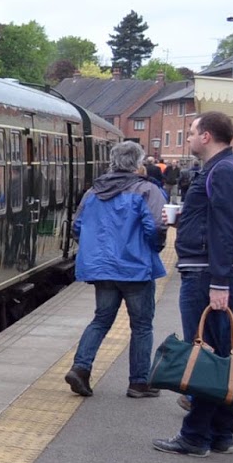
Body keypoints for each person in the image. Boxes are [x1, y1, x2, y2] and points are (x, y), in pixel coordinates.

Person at [154, 112, 233, 456]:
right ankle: (221, 433)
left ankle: (195, 435)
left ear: (208, 136)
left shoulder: (223, 171)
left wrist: (219, 282)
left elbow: (224, 228)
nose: (190, 137)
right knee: (222, 352)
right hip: (213, 269)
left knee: (206, 352)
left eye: (193, 132)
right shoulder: (228, 169)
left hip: (209, 274)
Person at [64, 141, 166, 398]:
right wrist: (156, 247)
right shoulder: (146, 190)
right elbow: (155, 227)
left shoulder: (92, 193)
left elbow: (77, 227)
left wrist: (97, 250)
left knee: (101, 319)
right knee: (141, 325)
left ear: (112, 160)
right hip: (135, 268)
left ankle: (80, 368)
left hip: (102, 269)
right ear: (138, 163)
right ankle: (138, 382)